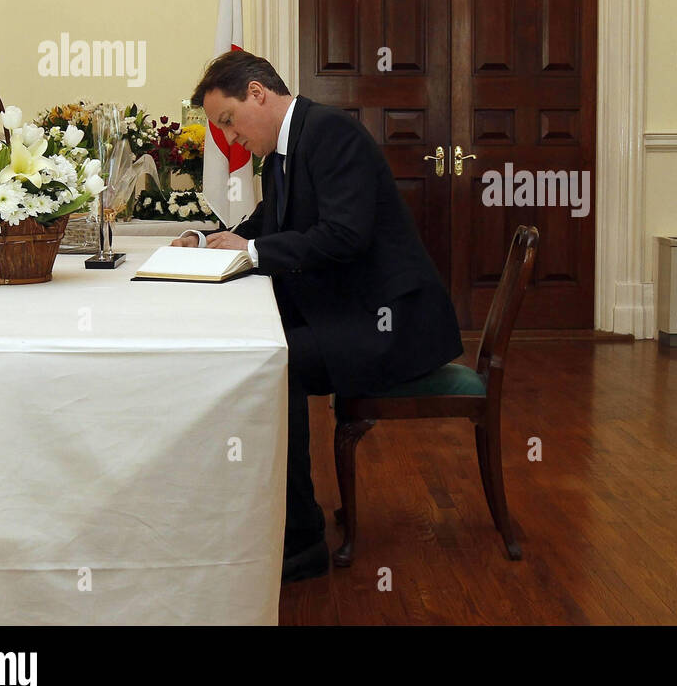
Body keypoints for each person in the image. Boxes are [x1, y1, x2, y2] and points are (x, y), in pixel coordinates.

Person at [173, 49, 464, 582]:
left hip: (393, 322)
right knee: (264, 354)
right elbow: (268, 221)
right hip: (353, 310)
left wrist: (252, 255)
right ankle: (264, 514)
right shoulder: (288, 145)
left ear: (257, 93)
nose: (231, 140)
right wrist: (203, 239)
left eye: (230, 122)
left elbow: (344, 236)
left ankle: (300, 540)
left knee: (272, 365)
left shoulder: (330, 134)